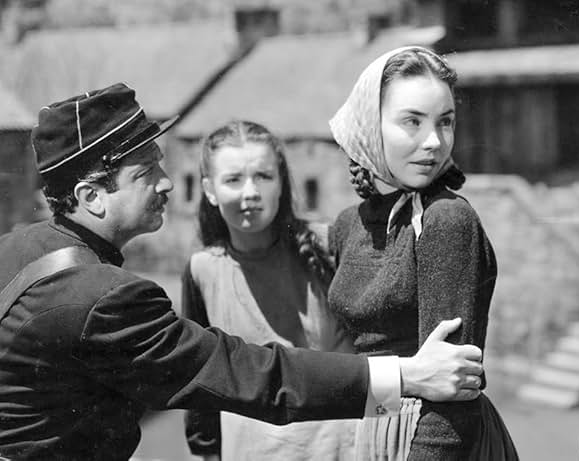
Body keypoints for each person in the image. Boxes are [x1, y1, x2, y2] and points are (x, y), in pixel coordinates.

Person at [0, 83, 486, 460]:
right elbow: (245, 371)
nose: (169, 184)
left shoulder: (15, 250)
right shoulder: (103, 296)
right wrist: (407, 375)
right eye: (147, 173)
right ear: (90, 198)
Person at [328, 46, 519, 460]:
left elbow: (455, 391)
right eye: (412, 121)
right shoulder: (348, 225)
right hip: (371, 429)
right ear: (369, 125)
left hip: (434, 439)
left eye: (445, 122)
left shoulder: (445, 221)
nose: (434, 142)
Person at [181, 120, 356, 460]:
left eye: (263, 176)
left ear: (281, 184)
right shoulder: (202, 270)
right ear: (209, 189)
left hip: (338, 449)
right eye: (233, 179)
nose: (250, 192)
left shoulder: (329, 244)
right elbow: (200, 381)